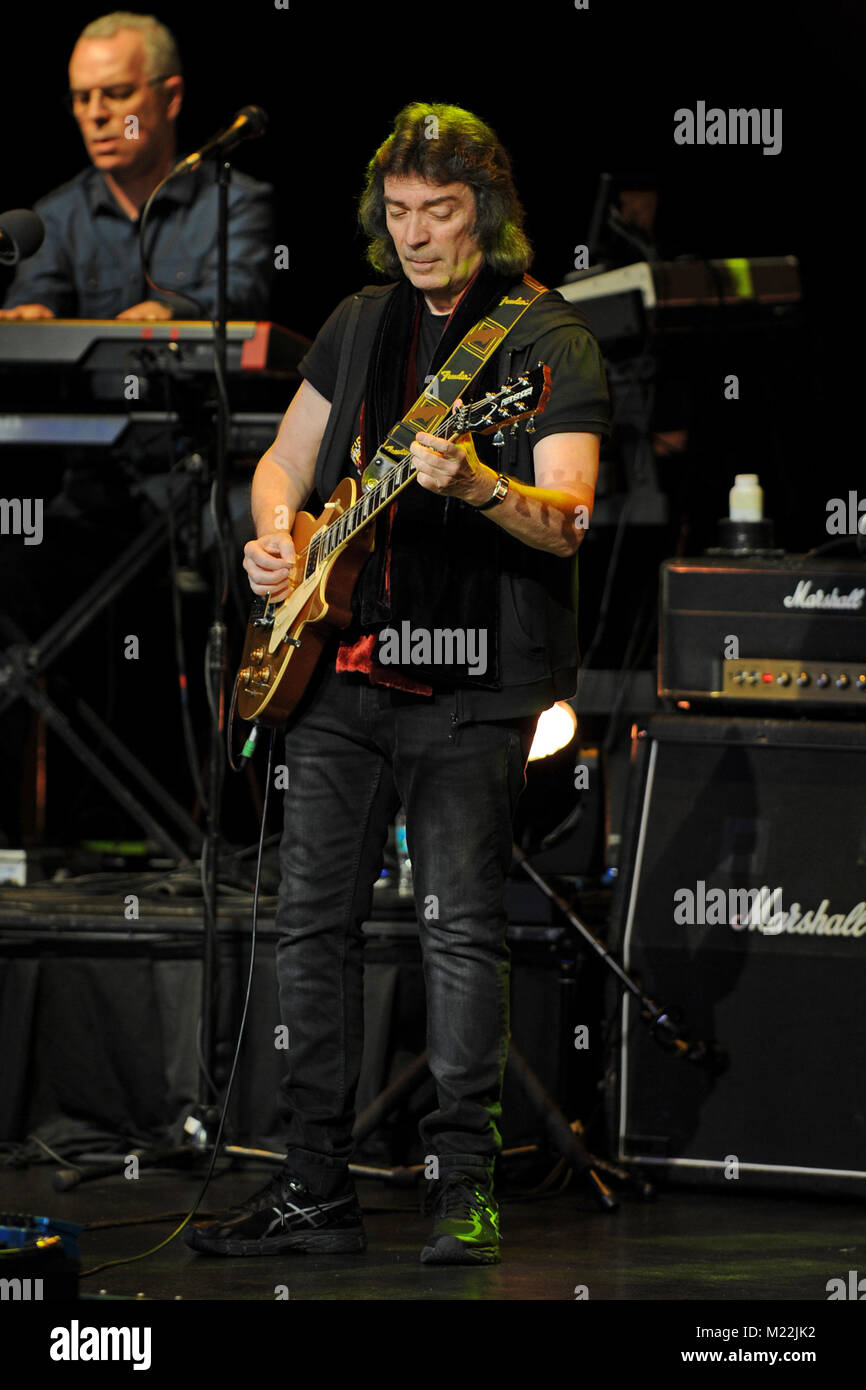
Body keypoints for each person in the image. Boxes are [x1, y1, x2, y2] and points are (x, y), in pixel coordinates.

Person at [185, 102, 610, 1266]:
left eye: (442, 210)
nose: (416, 233)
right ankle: (311, 1188)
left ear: (489, 212)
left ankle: (458, 1188)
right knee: (309, 932)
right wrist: (276, 536)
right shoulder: (359, 320)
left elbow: (569, 518)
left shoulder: (543, 344)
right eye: (400, 210)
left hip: (471, 687)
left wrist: (474, 483)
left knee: (460, 934)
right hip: (336, 676)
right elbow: (283, 460)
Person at [0, 11, 272, 321]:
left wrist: (172, 311)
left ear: (170, 98)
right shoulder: (54, 217)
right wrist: (30, 313)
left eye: (117, 94)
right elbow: (37, 291)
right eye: (82, 97)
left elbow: (238, 293)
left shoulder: (233, 202)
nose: (96, 114)